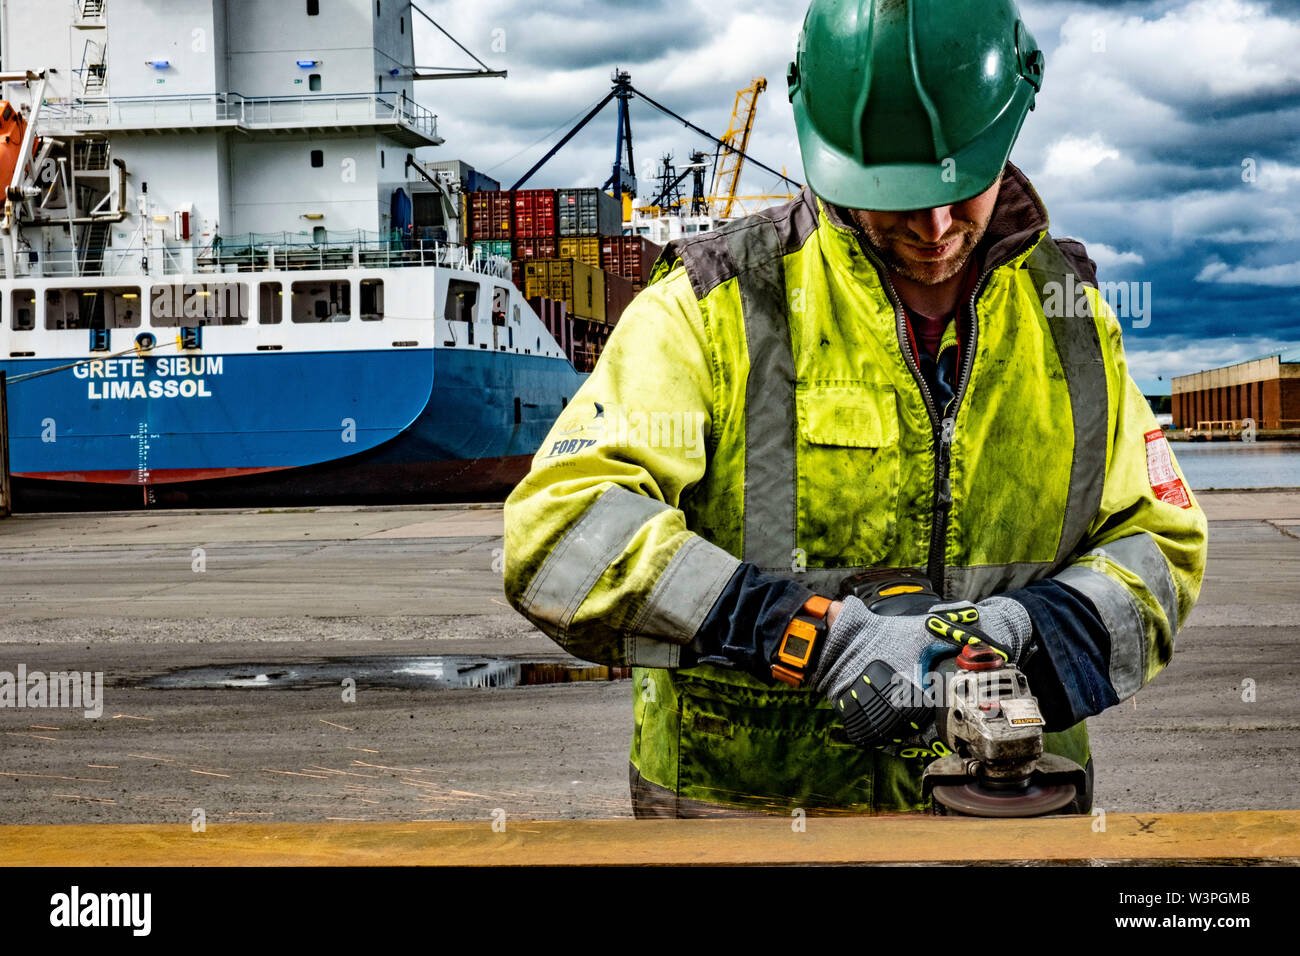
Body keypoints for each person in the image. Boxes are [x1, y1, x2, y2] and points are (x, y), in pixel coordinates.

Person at [503, 0, 1208, 818]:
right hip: (744, 820)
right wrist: (805, 634)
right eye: (897, 194)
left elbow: (1160, 544)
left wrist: (1026, 630)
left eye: (962, 185)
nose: (935, 226)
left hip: (1008, 810)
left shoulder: (1069, 316)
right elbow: (560, 530)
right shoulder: (712, 304)